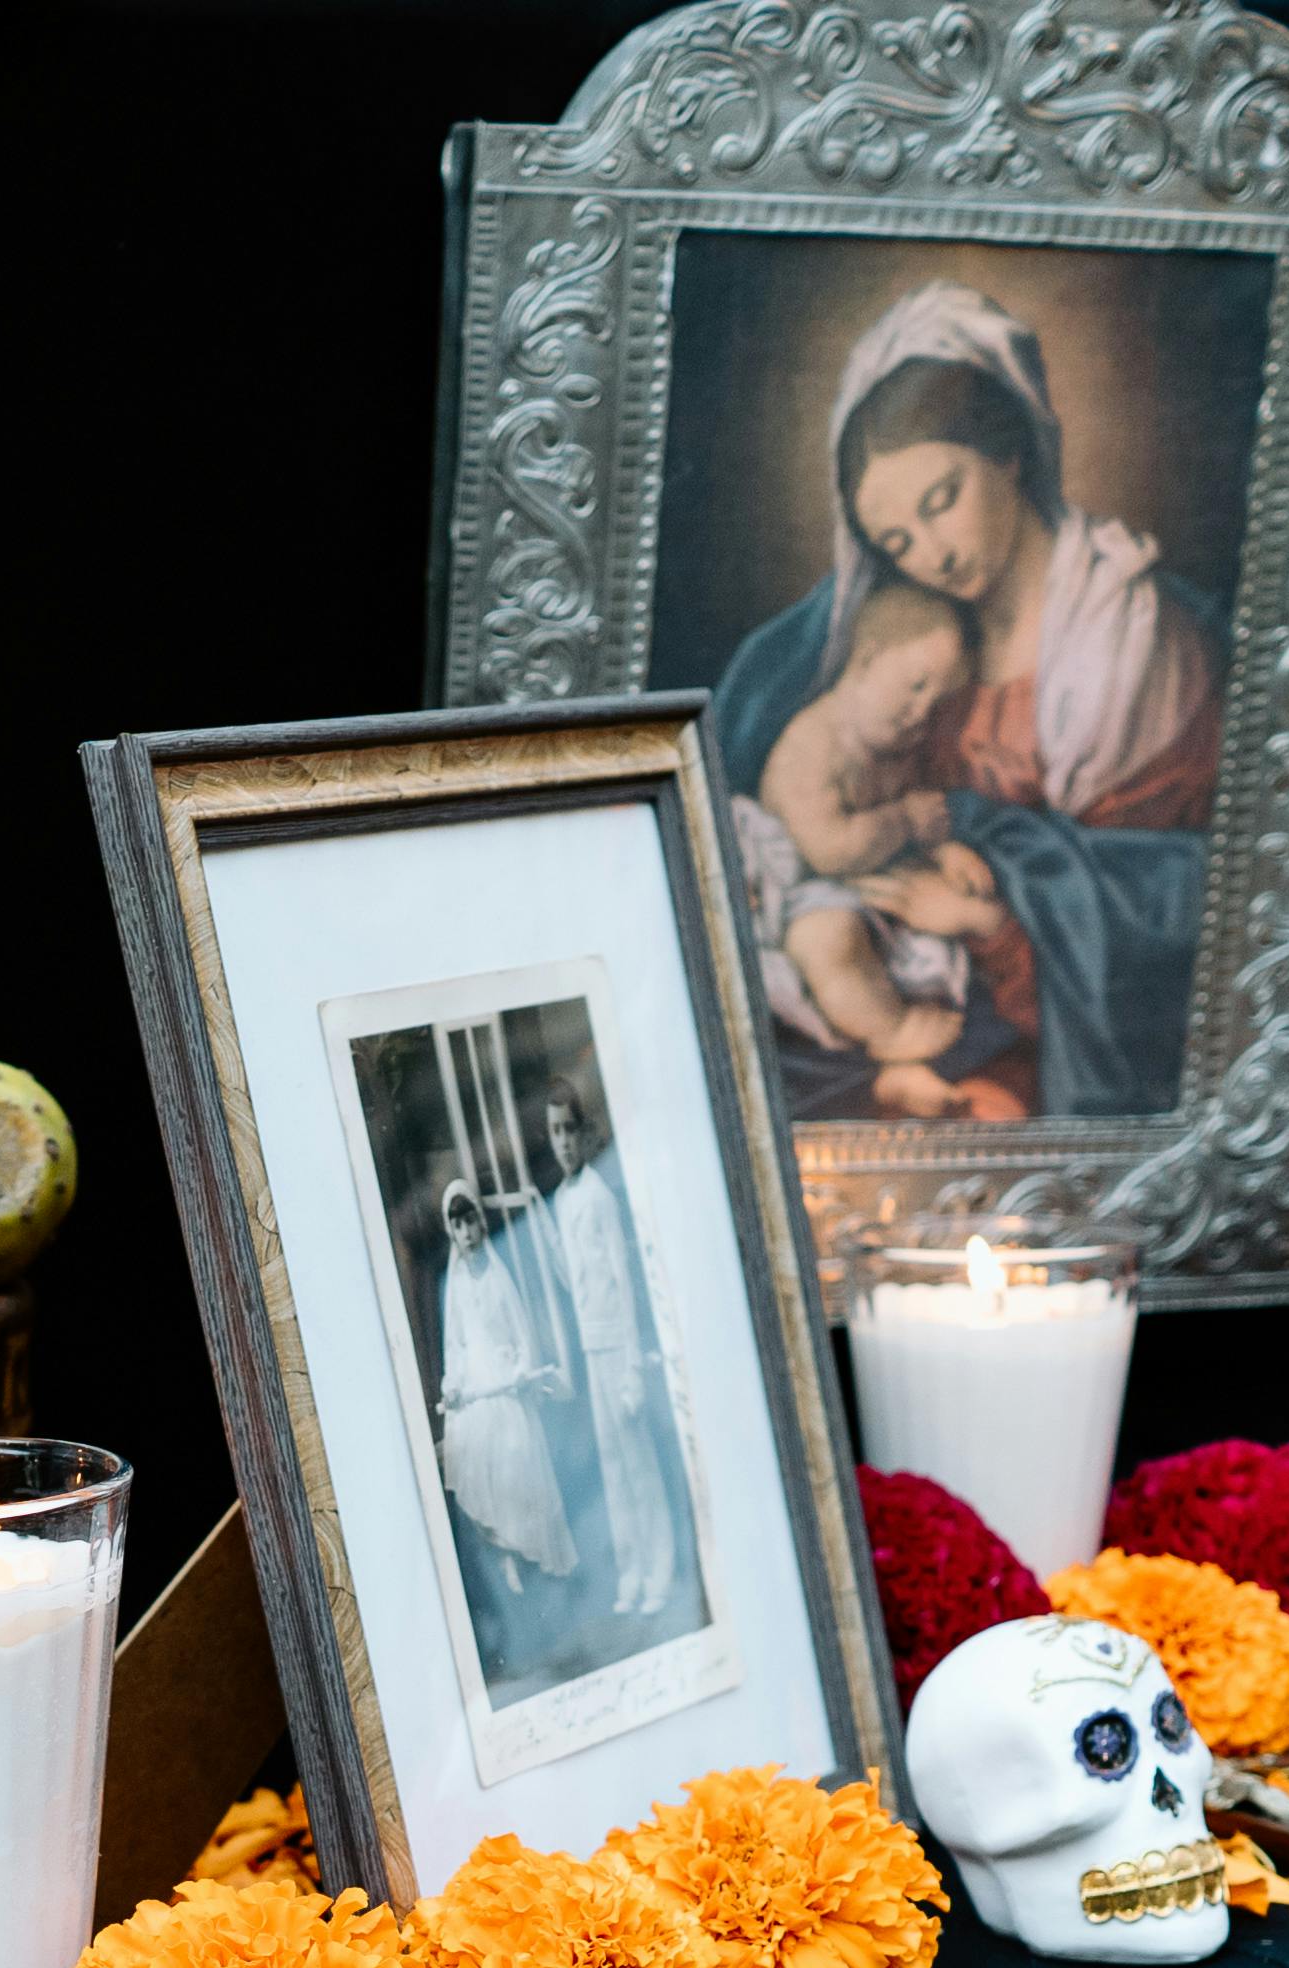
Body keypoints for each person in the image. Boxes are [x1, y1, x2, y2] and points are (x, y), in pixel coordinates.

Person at [697, 284, 1217, 1124]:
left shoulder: (1134, 642)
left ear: (1007, 454)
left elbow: (1164, 911)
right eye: (898, 541)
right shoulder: (915, 643)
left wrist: (988, 921)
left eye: (942, 500)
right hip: (913, 971)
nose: (932, 555)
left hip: (1071, 1022)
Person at [741, 583, 1022, 1116]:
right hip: (798, 895)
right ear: (867, 660)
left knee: (963, 919)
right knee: (826, 939)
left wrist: (946, 851)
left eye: (936, 703)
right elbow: (829, 852)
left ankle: (920, 1059)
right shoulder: (811, 744)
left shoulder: (898, 745)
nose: (921, 712)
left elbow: (924, 818)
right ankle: (892, 1036)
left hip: (871, 892)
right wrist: (904, 820)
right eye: (914, 686)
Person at [524, 1090, 695, 1623]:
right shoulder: (564, 1198)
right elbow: (568, 1279)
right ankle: (631, 1572)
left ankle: (661, 1570)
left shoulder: (598, 1196)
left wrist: (633, 1369)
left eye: (569, 1131)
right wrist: (540, 1220)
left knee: (640, 1465)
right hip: (592, 1347)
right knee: (615, 1468)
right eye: (555, 1133)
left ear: (583, 1134)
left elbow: (622, 1279)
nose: (563, 1142)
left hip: (619, 1347)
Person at [425, 1168, 578, 1659]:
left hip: (504, 1379)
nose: (467, 1233)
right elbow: (456, 1344)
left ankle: (529, 1550)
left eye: (471, 1222)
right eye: (458, 1226)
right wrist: (453, 1385)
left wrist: (520, 1369)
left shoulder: (496, 1274)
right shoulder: (454, 1286)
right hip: (476, 1386)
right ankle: (507, 1553)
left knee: (518, 1465)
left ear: (480, 1223)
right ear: (452, 1232)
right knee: (481, 1472)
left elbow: (519, 1329)